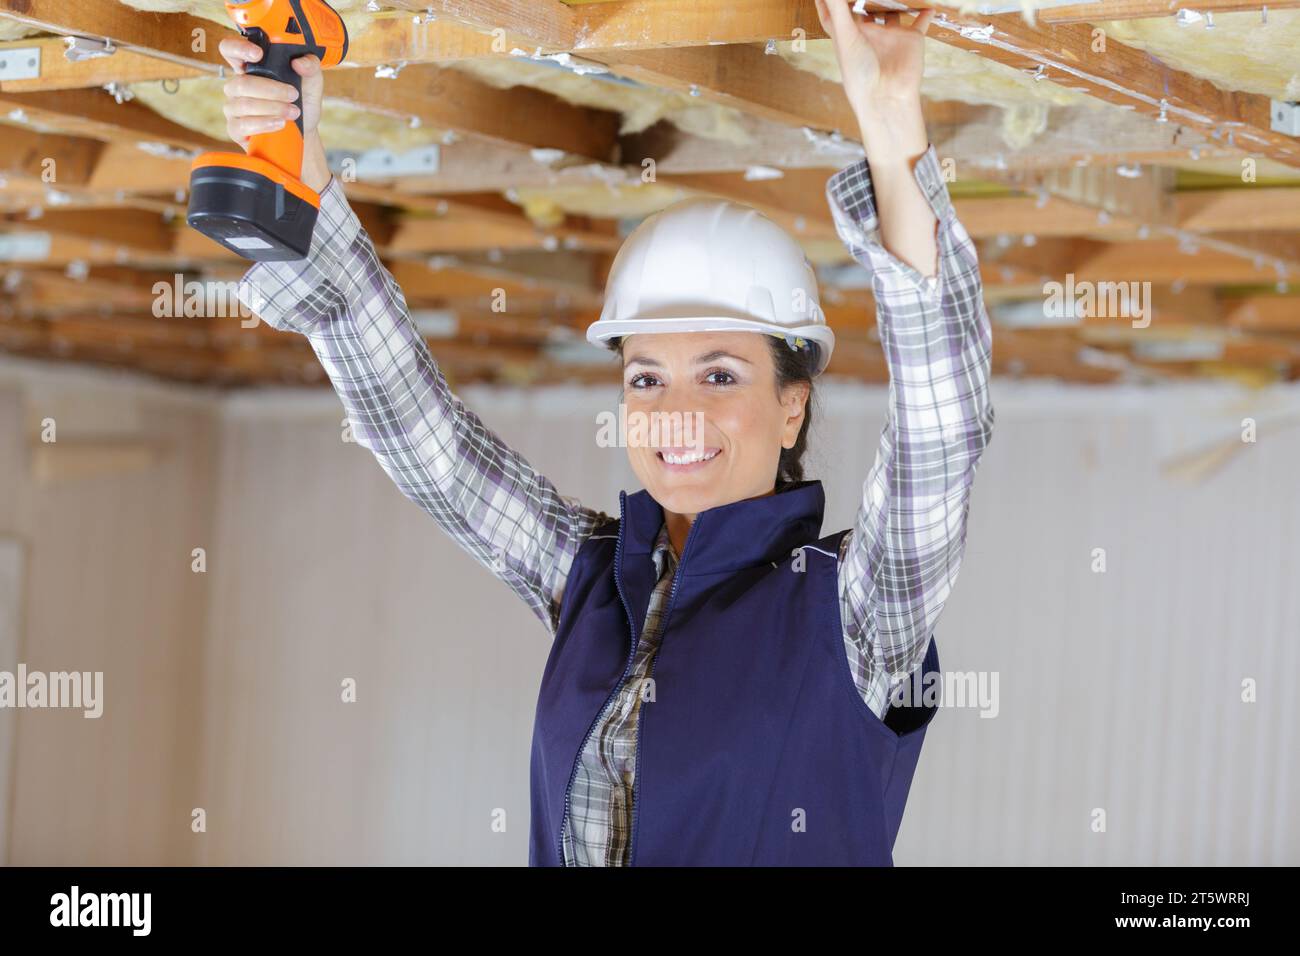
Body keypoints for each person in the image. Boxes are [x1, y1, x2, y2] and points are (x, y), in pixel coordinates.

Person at [224, 1, 993, 865]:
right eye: (645, 377)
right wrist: (305, 192)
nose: (677, 412)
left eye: (720, 374)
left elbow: (942, 430)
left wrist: (894, 137)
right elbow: (429, 446)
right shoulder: (589, 578)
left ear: (793, 405)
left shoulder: (852, 611)